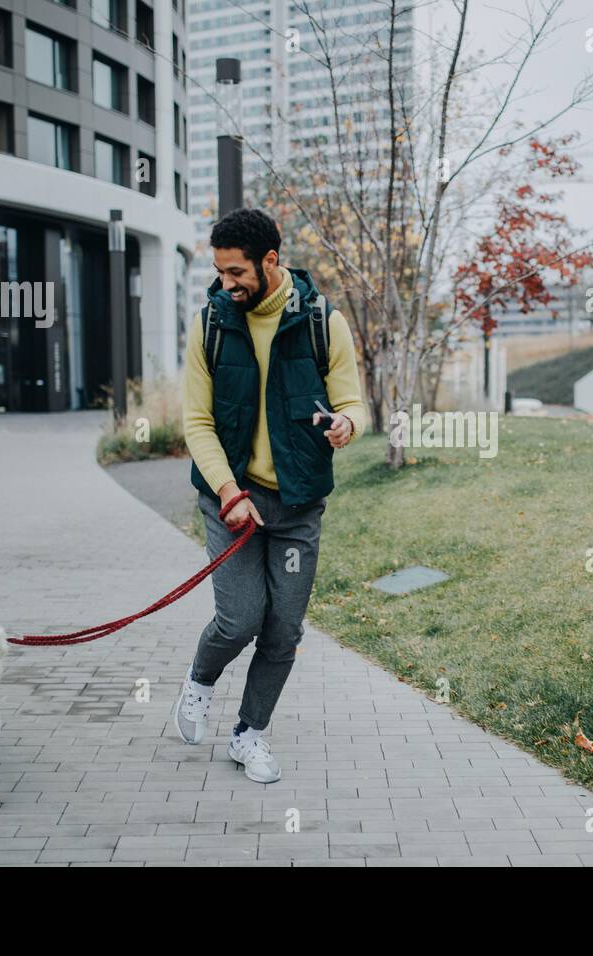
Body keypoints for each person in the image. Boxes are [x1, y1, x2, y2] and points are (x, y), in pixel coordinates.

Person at [172, 208, 368, 783]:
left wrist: (346, 426)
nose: (227, 284)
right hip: (229, 497)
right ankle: (198, 681)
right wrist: (230, 493)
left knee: (284, 629)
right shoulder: (209, 323)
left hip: (296, 504)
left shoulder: (321, 322)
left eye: (237, 272)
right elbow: (197, 423)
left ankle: (248, 734)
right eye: (220, 272)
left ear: (271, 261)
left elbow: (353, 403)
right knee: (238, 620)